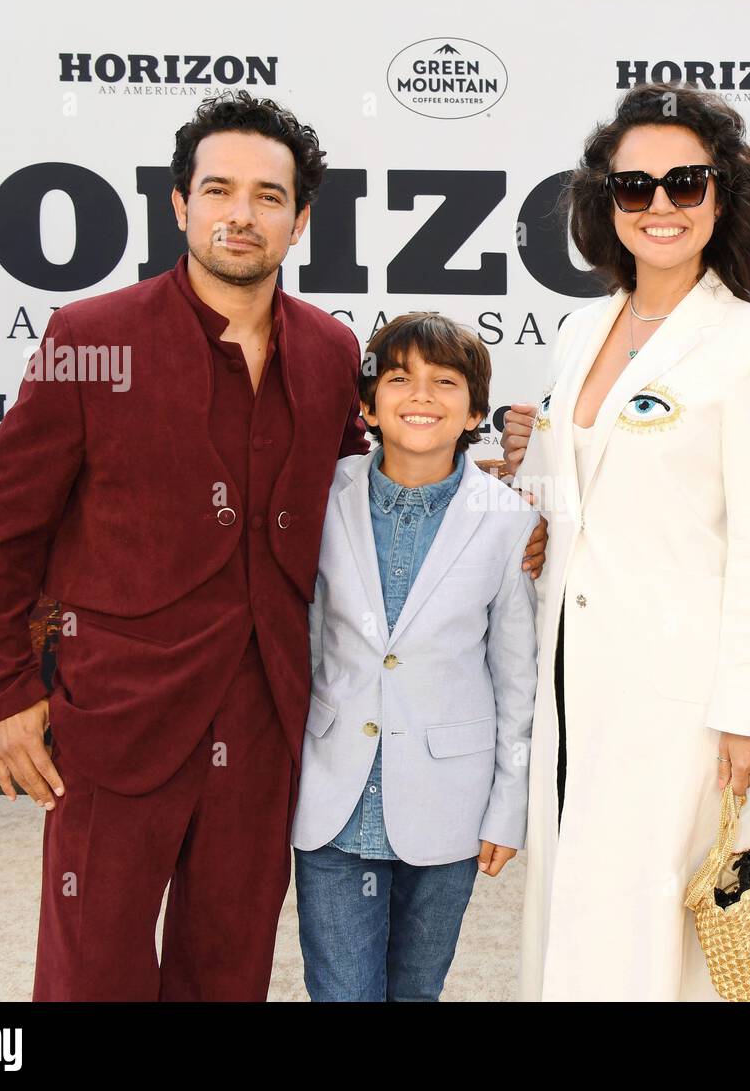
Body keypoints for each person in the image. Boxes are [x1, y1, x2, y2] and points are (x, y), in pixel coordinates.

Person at [0, 90, 545, 1001]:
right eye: (219, 189)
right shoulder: (91, 338)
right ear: (180, 204)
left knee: (227, 966)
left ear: (300, 219)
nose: (242, 213)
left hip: (270, 719)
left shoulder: (326, 350)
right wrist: (5, 691)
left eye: (268, 196)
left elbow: (382, 486)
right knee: (91, 965)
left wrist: (518, 509)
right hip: (117, 715)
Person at [505, 82, 750, 1001]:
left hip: (682, 693)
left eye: (686, 182)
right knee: (578, 899)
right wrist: (536, 464)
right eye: (635, 188)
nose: (662, 205)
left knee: (651, 918)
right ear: (607, 203)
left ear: (721, 195)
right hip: (572, 672)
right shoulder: (578, 328)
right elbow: (575, 499)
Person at [291, 313, 539, 1002]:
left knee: (416, 991)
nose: (420, 395)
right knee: (342, 992)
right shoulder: (322, 495)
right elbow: (304, 645)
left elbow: (516, 682)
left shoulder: (509, 519)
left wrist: (506, 807)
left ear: (475, 411)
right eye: (398, 378)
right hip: (333, 805)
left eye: (445, 382)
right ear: (367, 404)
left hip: (448, 806)